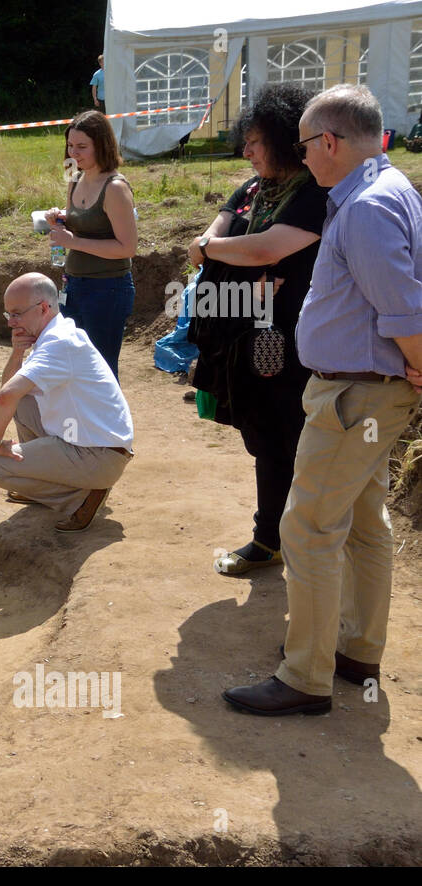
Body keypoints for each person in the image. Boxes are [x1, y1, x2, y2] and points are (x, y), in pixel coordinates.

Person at [223, 84, 422, 716]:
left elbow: (402, 307)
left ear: (329, 142)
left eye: (306, 145)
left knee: (307, 528)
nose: (302, 157)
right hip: (365, 392)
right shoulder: (393, 192)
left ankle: (305, 676)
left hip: (355, 395)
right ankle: (357, 650)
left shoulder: (364, 207)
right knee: (364, 522)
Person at [186, 83, 329, 576]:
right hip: (246, 333)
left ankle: (276, 538)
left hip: (294, 337)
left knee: (285, 435)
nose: (245, 151)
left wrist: (215, 251)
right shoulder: (253, 189)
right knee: (264, 433)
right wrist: (219, 248)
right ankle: (277, 536)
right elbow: (215, 232)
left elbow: (265, 249)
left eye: (255, 141)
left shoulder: (314, 193)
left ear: (285, 139)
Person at [0, 272, 134, 532]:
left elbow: (6, 396)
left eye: (17, 313)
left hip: (98, 456)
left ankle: (81, 498)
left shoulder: (59, 344)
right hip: (95, 447)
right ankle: (40, 481)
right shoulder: (55, 335)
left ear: (43, 308)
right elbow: (11, 389)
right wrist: (17, 352)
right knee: (24, 402)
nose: (11, 322)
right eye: (9, 315)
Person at [45, 111, 137, 379]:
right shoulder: (74, 177)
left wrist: (75, 242)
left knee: (102, 372)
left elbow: (127, 248)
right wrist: (60, 219)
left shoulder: (116, 188)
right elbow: (79, 222)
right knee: (74, 369)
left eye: (82, 147)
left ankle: (109, 422)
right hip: (73, 285)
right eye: (70, 146)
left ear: (102, 144)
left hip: (107, 290)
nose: (74, 154)